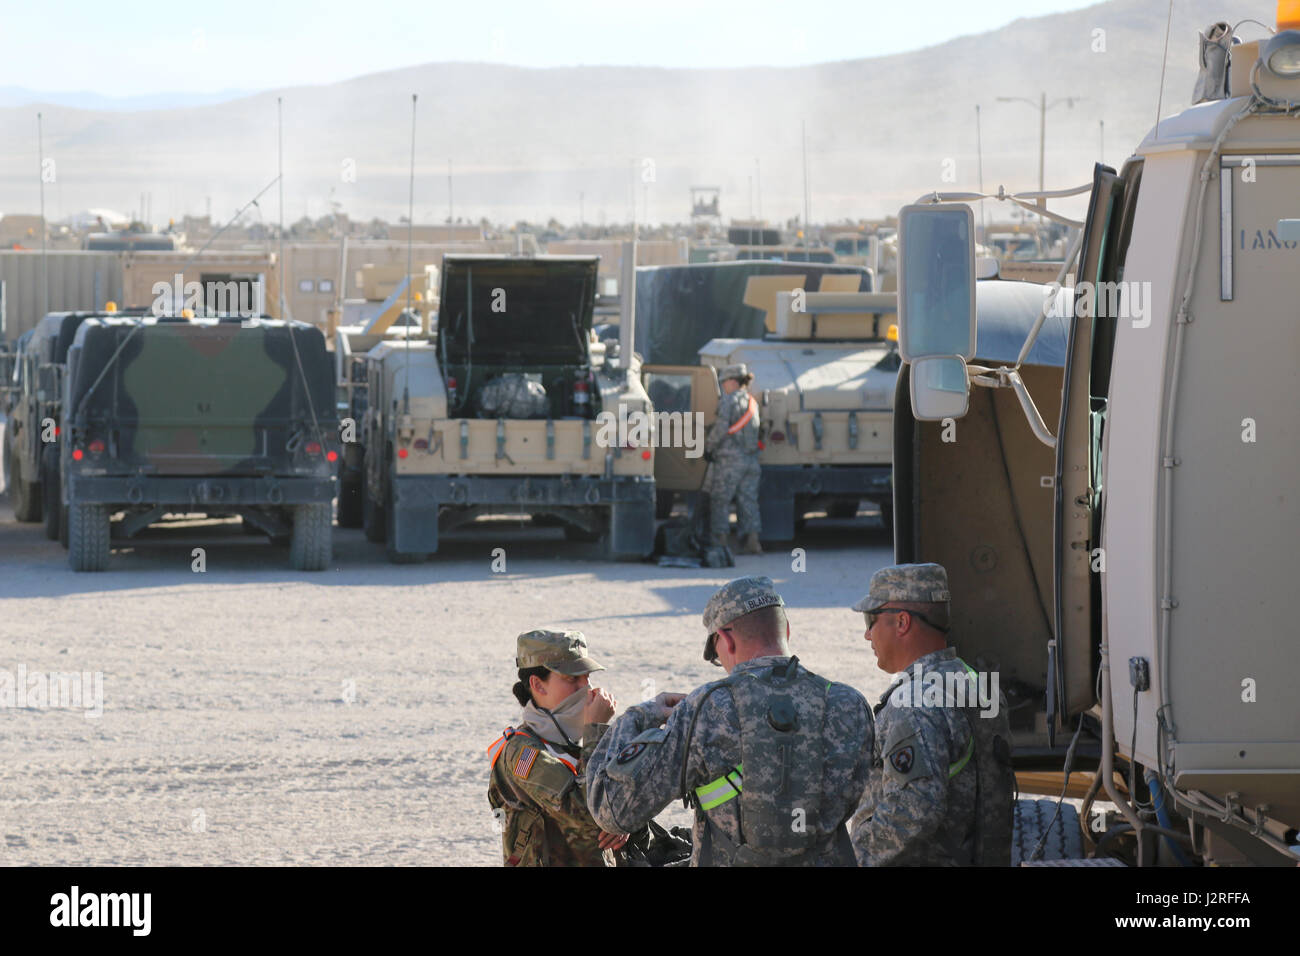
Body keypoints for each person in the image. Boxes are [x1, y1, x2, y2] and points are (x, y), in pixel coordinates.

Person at [586, 576, 874, 866]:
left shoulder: (710, 707)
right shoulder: (849, 704)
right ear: (786, 629)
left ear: (726, 639)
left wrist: (640, 716)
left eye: (716, 654)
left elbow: (611, 809)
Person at [849, 563, 1015, 866]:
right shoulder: (976, 683)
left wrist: (861, 859)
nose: (866, 634)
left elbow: (912, 811)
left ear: (901, 622)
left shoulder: (913, 703)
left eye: (871, 619)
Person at [487, 629, 629, 866]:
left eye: (587, 676)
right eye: (572, 678)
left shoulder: (579, 739)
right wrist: (596, 729)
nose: (586, 687)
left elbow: (631, 799)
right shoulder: (522, 753)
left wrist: (624, 821)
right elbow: (587, 813)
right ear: (538, 685)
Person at [705, 363, 762, 555]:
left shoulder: (728, 401)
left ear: (732, 381)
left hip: (730, 461)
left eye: (724, 382)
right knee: (748, 501)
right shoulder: (751, 402)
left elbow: (721, 429)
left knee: (720, 500)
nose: (723, 386)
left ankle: (720, 543)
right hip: (751, 461)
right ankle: (753, 542)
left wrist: (709, 447)